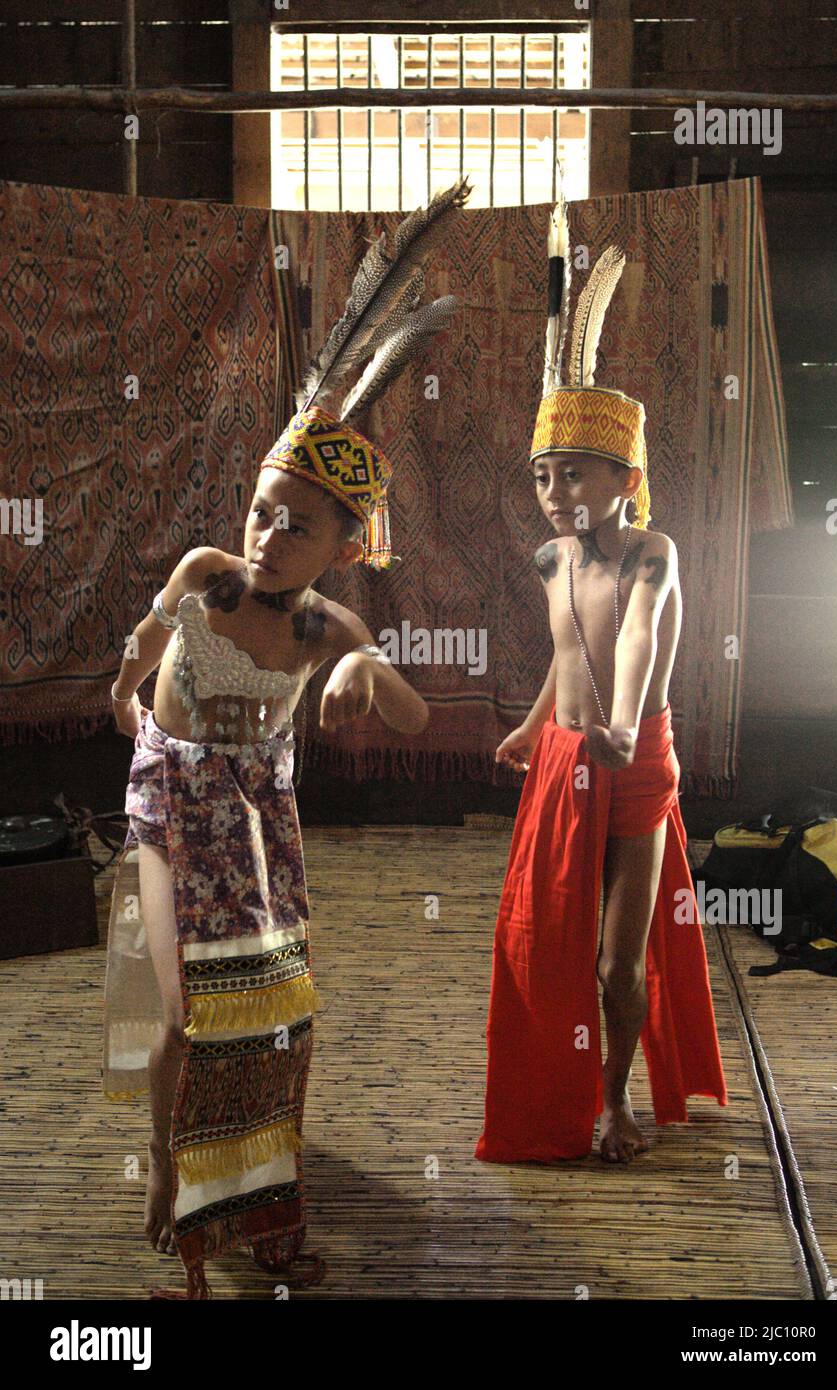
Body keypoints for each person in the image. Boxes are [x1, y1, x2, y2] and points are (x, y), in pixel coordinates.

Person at [103, 180, 469, 1298]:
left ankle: (267, 1198)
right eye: (262, 507)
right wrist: (135, 718)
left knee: (272, 1022)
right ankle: (169, 1176)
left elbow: (412, 715)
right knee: (175, 1013)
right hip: (168, 813)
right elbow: (132, 660)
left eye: (296, 523)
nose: (267, 531)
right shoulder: (204, 579)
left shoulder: (323, 624)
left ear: (342, 546)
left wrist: (364, 665)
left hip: (257, 835)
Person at [475, 210, 727, 1167]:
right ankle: (563, 1093)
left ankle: (614, 1103)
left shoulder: (654, 554)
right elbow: (568, 652)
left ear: (625, 478)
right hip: (563, 759)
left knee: (620, 960)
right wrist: (533, 726)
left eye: (572, 473)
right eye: (542, 475)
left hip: (634, 763)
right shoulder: (549, 558)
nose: (553, 492)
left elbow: (633, 648)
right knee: (556, 945)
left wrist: (620, 726)